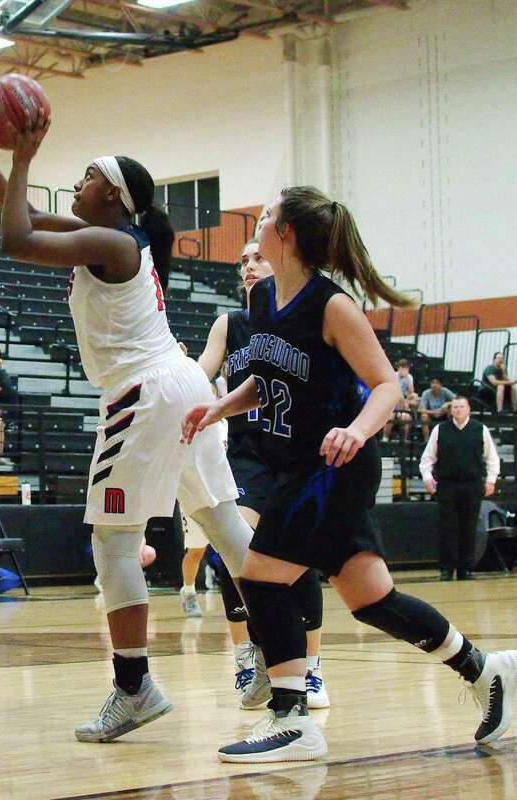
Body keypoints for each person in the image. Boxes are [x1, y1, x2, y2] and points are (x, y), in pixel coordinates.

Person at [181, 186, 517, 762]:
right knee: (371, 599)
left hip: (335, 465)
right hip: (299, 463)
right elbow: (268, 382)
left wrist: (358, 429)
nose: (259, 223)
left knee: (260, 576)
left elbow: (386, 384)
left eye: (266, 216)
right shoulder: (263, 300)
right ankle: (485, 670)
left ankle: (290, 718)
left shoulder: (333, 306)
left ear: (284, 234)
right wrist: (221, 407)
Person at [0, 109, 258, 743]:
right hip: (179, 383)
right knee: (224, 524)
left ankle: (133, 687)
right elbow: (29, 219)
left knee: (114, 541)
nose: (79, 182)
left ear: (115, 197)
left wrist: (21, 158)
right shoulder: (114, 237)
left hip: (145, 391)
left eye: (89, 175)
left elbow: (14, 241)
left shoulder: (114, 242)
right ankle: (284, 659)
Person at [193, 238, 329, 708]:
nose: (249, 266)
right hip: (248, 453)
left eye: (258, 257)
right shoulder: (229, 324)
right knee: (236, 548)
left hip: (295, 451)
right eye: (243, 260)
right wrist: (174, 377)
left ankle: (310, 668)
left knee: (299, 558)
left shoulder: (299, 318)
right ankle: (248, 656)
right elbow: (201, 374)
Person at [419, 396, 500, 581]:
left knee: (469, 527)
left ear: (468, 409)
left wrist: (491, 481)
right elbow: (427, 459)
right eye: (455, 407)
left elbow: (492, 459)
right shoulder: (440, 429)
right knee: (448, 527)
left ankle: (467, 568)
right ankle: (446, 569)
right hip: (447, 485)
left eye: (461, 407)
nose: (458, 410)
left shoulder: (480, 429)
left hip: (472, 485)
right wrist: (427, 477)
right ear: (451, 410)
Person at [384, 359, 419, 441]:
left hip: (405, 401)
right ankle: (385, 437)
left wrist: (407, 377)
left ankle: (405, 438)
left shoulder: (409, 377)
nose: (404, 370)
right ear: (398, 368)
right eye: (402, 367)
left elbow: (411, 391)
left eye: (406, 368)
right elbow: (392, 390)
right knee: (390, 416)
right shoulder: (393, 376)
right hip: (393, 400)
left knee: (406, 416)